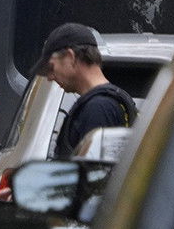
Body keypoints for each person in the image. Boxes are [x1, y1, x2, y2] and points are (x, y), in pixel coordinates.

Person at [36, 23, 136, 159]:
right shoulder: (108, 103)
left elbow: (92, 170)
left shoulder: (99, 108)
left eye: (51, 67)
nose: (50, 77)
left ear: (70, 57)